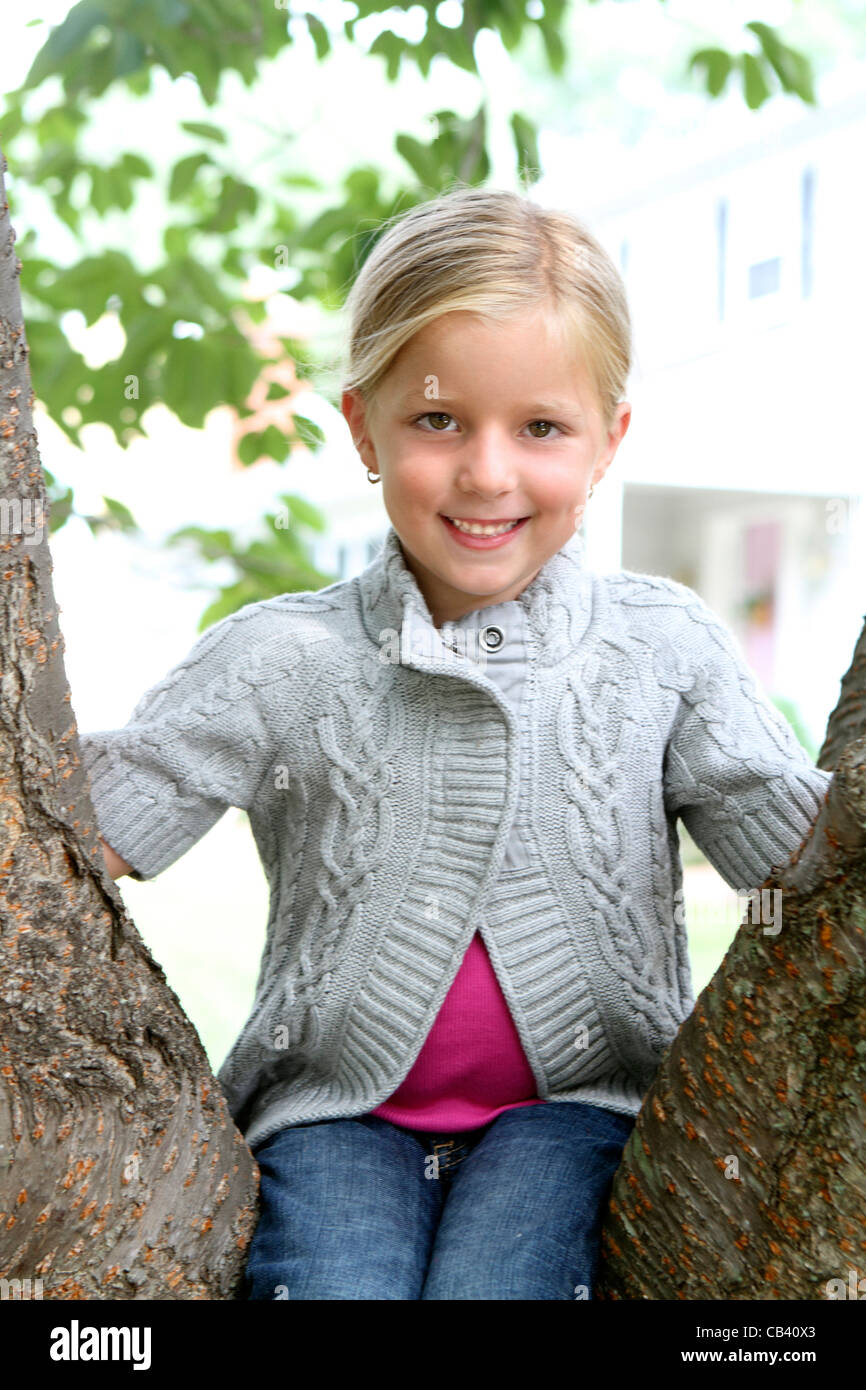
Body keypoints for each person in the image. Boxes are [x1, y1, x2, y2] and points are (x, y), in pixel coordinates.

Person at [82, 184, 833, 1300]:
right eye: (437, 420)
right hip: (338, 1110)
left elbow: (794, 847)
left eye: (539, 427)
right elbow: (87, 822)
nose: (487, 473)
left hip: (577, 1107)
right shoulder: (281, 656)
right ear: (361, 429)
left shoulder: (661, 646)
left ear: (606, 441)